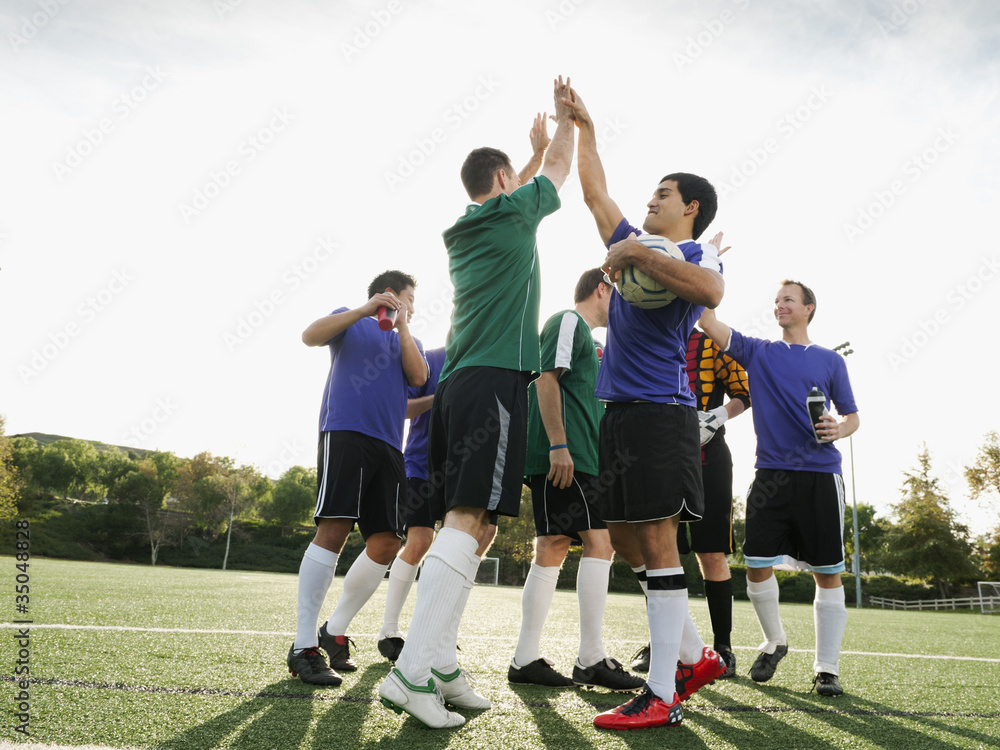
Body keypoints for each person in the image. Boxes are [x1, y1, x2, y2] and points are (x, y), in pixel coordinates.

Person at [378, 76, 577, 729]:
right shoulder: (514, 211)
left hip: (467, 384)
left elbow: (515, 186)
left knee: (480, 526)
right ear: (501, 179)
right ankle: (410, 674)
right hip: (492, 379)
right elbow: (557, 172)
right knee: (466, 521)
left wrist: (521, 158)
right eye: (511, 178)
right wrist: (565, 125)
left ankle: (438, 664)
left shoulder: (472, 221)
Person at [563, 86, 727, 730]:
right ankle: (693, 656)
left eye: (663, 194)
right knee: (627, 536)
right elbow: (595, 193)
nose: (650, 200)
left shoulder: (693, 253)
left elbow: (712, 289)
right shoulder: (636, 240)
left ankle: (661, 695)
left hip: (662, 413)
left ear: (689, 208)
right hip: (620, 415)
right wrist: (586, 128)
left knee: (659, 542)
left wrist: (632, 253)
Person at [698, 280, 859, 697]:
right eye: (776, 301)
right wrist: (705, 267)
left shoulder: (830, 361)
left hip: (822, 476)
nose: (779, 305)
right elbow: (707, 319)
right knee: (755, 563)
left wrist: (839, 428)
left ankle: (827, 669)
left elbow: (852, 416)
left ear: (808, 308)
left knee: (828, 574)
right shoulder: (758, 351)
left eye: (788, 299)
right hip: (770, 474)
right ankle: (775, 641)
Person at [285, 270, 427, 686]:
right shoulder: (350, 319)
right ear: (389, 294)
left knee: (387, 542)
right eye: (409, 299)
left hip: (388, 446)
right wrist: (367, 309)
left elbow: (417, 378)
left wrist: (402, 326)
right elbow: (310, 336)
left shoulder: (409, 341)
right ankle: (303, 645)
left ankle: (333, 631)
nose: (413, 307)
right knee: (335, 529)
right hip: (345, 432)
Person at [508, 269, 643, 693]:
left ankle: (526, 658)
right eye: (617, 295)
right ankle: (590, 658)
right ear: (602, 289)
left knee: (554, 545)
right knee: (599, 543)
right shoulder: (568, 320)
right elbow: (545, 379)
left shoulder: (595, 342)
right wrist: (558, 445)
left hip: (585, 460)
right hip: (568, 458)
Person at [631, 327, 751, 678]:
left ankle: (723, 646)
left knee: (711, 552)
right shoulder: (650, 337)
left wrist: (718, 416)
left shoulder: (713, 340)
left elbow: (744, 391)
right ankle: (664, 643)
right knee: (659, 550)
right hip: (660, 454)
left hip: (708, 457)